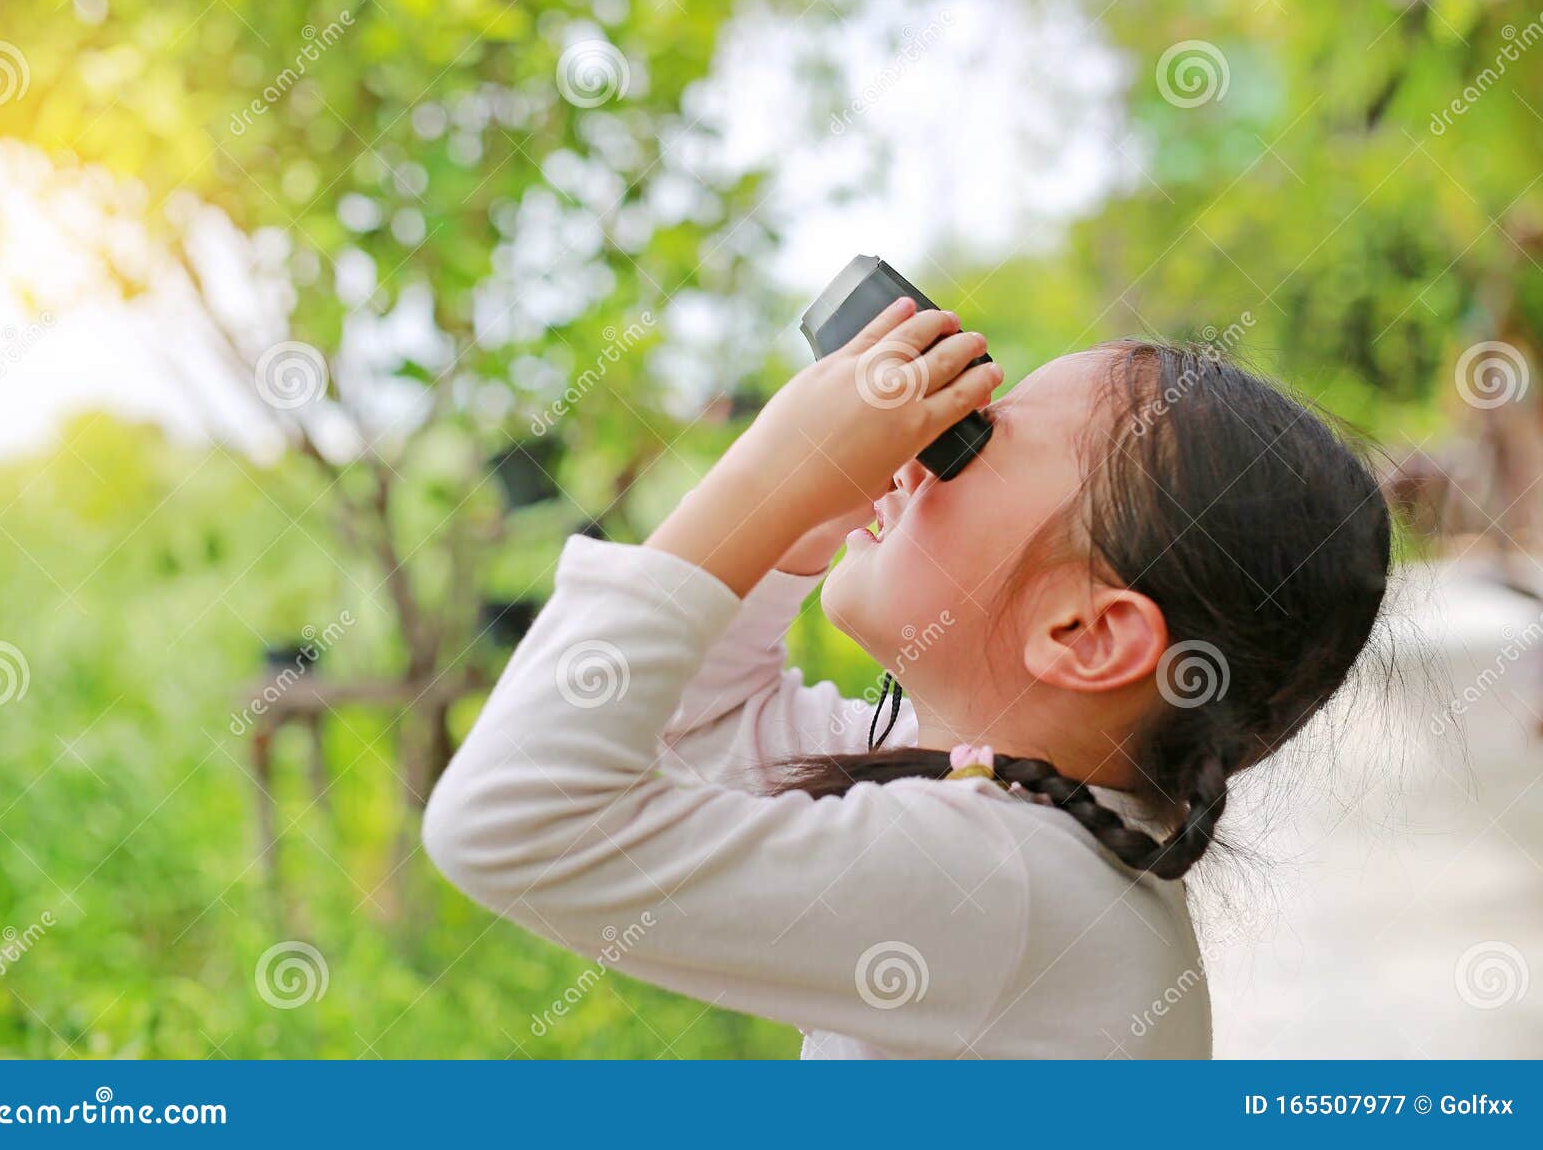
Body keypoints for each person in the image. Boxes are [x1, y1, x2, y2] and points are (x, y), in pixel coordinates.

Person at [423, 297, 1391, 1058]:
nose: (917, 458)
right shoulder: (1012, 828)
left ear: (1085, 633)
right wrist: (798, 526)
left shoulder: (1005, 883)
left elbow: (508, 821)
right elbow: (700, 734)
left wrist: (764, 479)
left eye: (974, 440)